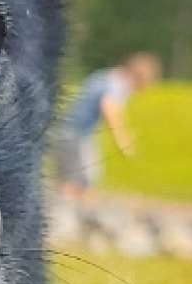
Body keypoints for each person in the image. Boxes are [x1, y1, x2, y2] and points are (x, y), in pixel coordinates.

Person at [52, 51, 160, 193]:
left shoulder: (104, 76)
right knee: (82, 181)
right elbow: (109, 108)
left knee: (69, 180)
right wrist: (123, 140)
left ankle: (60, 202)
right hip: (76, 135)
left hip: (65, 130)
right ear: (140, 76)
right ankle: (66, 204)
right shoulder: (117, 84)